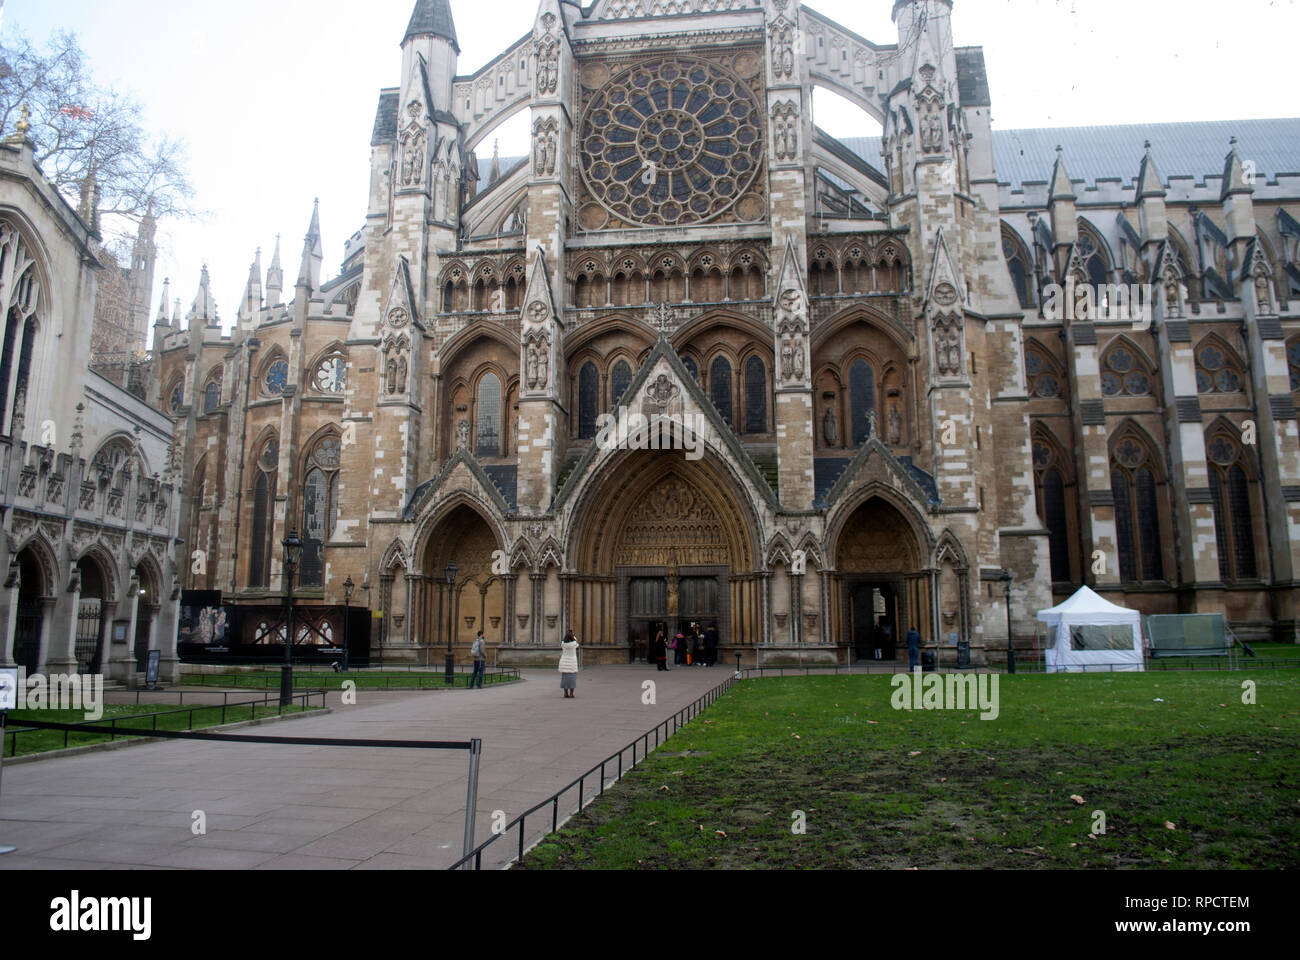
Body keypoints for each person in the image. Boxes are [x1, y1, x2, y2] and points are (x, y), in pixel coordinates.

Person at [559, 629, 580, 698]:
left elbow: (563, 641)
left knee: (565, 678)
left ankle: (565, 693)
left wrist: (567, 636)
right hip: (572, 662)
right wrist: (574, 637)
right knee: (572, 679)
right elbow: (577, 643)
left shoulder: (563, 644)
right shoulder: (574, 644)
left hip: (564, 661)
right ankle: (571, 693)